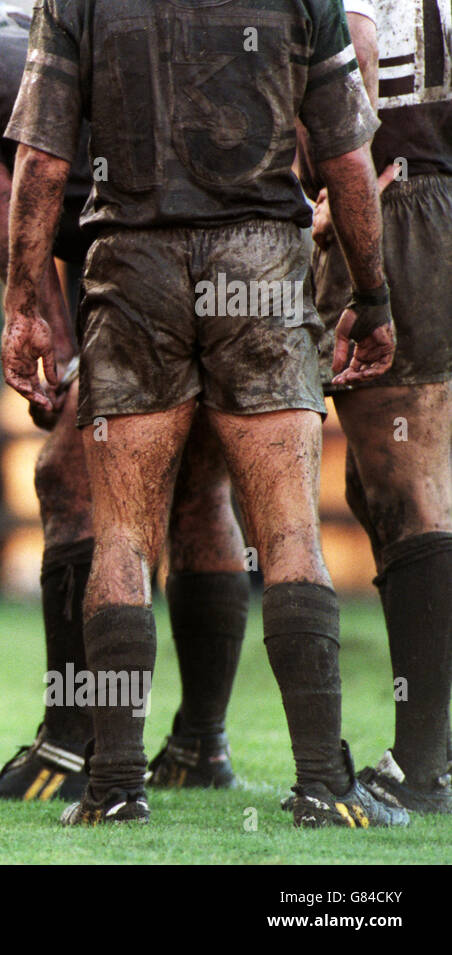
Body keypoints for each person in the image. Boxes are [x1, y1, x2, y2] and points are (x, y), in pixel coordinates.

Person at [0, 0, 250, 800]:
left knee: (71, 479)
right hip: (238, 230)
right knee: (202, 488)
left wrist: (43, 330)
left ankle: (69, 749)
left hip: (143, 240)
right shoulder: (13, 21)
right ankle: (201, 744)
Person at [3, 0, 403, 828]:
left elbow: (41, 161)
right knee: (290, 528)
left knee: (122, 535)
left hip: (132, 262)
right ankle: (323, 785)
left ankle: (113, 788)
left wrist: (22, 301)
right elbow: (345, 158)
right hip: (259, 261)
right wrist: (372, 293)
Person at [310, 0, 452, 813]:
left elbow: (356, 35)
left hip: (402, 201)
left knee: (407, 488)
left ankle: (424, 763)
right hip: (434, 193)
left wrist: (347, 177)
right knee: (381, 487)